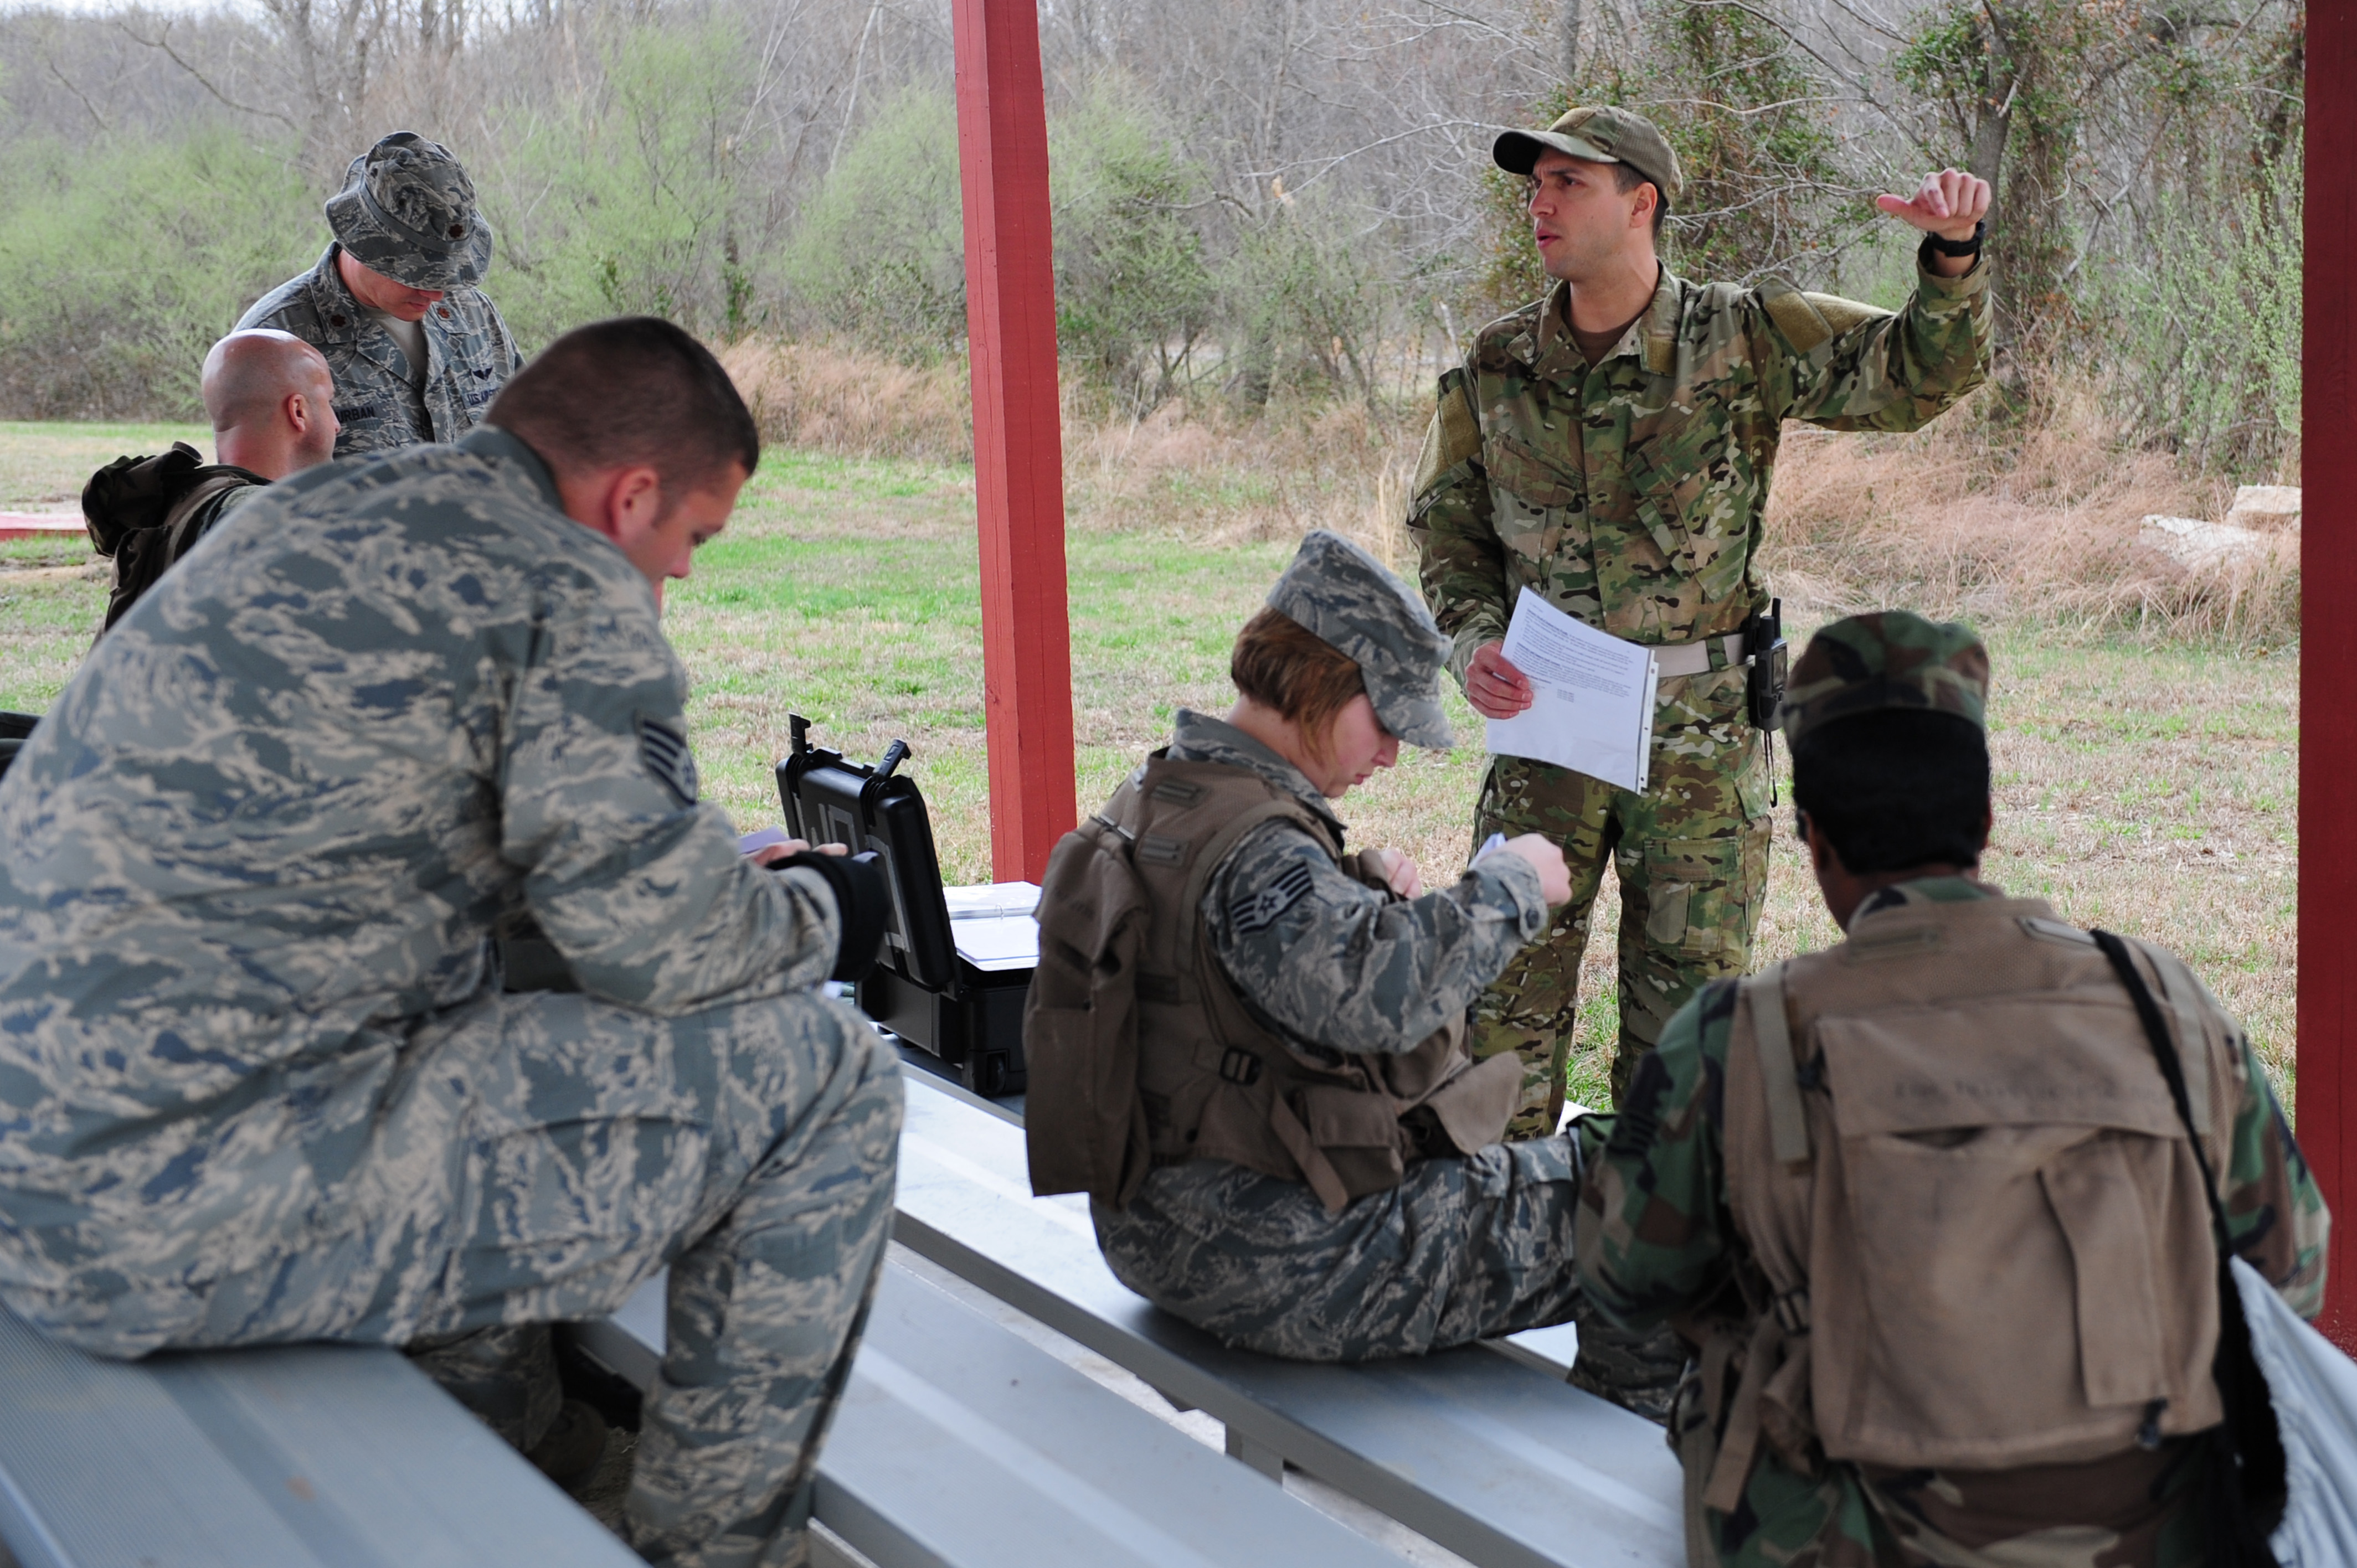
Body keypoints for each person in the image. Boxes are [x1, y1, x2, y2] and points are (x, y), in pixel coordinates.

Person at [0, 317, 899, 1568]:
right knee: (830, 1078)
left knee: (464, 1023)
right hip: (159, 1223)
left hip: (40, 1169)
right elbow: (660, 950)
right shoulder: (560, 578)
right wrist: (835, 909)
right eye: (690, 538)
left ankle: (519, 1447)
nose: (678, 577)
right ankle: (726, 1551)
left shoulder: (310, 518)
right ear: (631, 493)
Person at [1576, 611, 2330, 1567]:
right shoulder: (2160, 1002)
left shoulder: (1735, 1035)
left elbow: (1625, 1280)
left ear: (1813, 842)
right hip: (2163, 1539)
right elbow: (2290, 1272)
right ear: (1983, 823)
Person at [1409, 105, 1995, 1143]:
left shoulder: (1743, 333)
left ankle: (1663, 1249)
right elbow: (1451, 530)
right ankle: (1486, 1234)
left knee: (1689, 1016)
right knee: (1500, 997)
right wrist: (1472, 639)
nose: (1538, 205)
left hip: (1700, 737)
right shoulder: (1497, 364)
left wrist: (1949, 255)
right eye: (1534, 185)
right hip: (1548, 727)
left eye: (1566, 184)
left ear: (1642, 202)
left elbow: (1916, 376)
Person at [1032, 528, 1608, 1363]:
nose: (1392, 753)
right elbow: (1377, 1001)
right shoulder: (1259, 847)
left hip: (1159, 1232)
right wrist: (1514, 883)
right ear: (1319, 685)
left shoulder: (1157, 797)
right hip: (1288, 1258)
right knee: (1654, 1191)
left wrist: (1372, 902)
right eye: (1384, 721)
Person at [238, 131, 524, 456]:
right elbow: (256, 498)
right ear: (364, 244)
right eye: (417, 274)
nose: (437, 294)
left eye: (446, 275)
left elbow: (526, 443)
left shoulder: (476, 316)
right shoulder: (274, 341)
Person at [81, 328, 340, 632]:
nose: (336, 424)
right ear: (299, 411)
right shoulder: (266, 518)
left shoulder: (184, 500)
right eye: (329, 403)